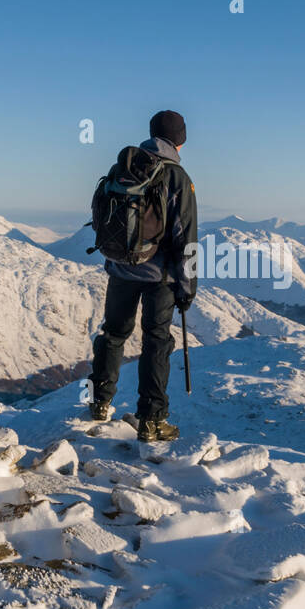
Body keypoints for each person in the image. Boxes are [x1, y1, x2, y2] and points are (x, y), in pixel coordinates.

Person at [88, 109, 197, 441]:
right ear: (181, 139)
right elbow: (186, 237)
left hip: (120, 267)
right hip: (158, 276)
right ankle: (152, 420)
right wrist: (187, 286)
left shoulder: (123, 166)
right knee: (156, 342)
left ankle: (97, 401)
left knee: (113, 334)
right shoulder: (177, 176)